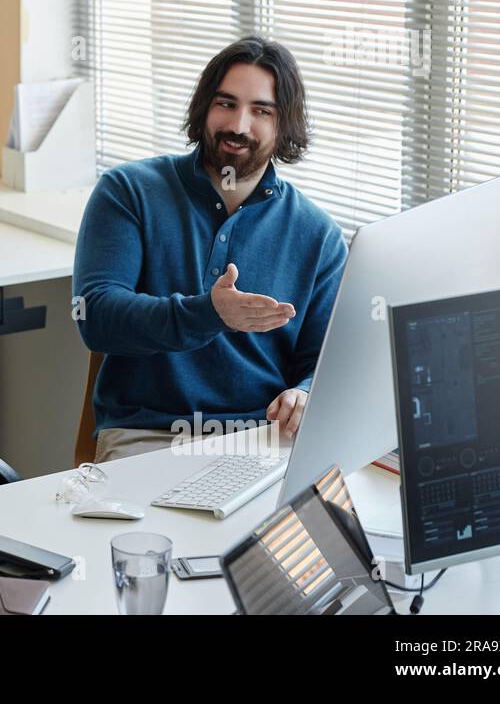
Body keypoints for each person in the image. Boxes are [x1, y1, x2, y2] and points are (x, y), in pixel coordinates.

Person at [73, 37, 348, 462]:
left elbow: (327, 361)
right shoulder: (128, 192)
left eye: (261, 111)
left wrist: (306, 393)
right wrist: (209, 313)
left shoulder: (318, 235)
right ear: (204, 107)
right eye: (226, 104)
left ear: (283, 125)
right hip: (149, 436)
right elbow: (97, 318)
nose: (239, 125)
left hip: (265, 440)